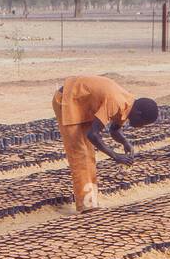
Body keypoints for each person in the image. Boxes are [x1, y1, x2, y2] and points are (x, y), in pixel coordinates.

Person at [52, 76, 159, 212]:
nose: (140, 127)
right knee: (80, 154)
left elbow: (114, 130)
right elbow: (93, 134)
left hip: (82, 105)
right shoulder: (117, 101)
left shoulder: (128, 104)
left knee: (89, 155)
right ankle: (86, 206)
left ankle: (90, 201)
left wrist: (125, 142)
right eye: (142, 123)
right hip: (68, 100)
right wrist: (115, 156)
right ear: (138, 113)